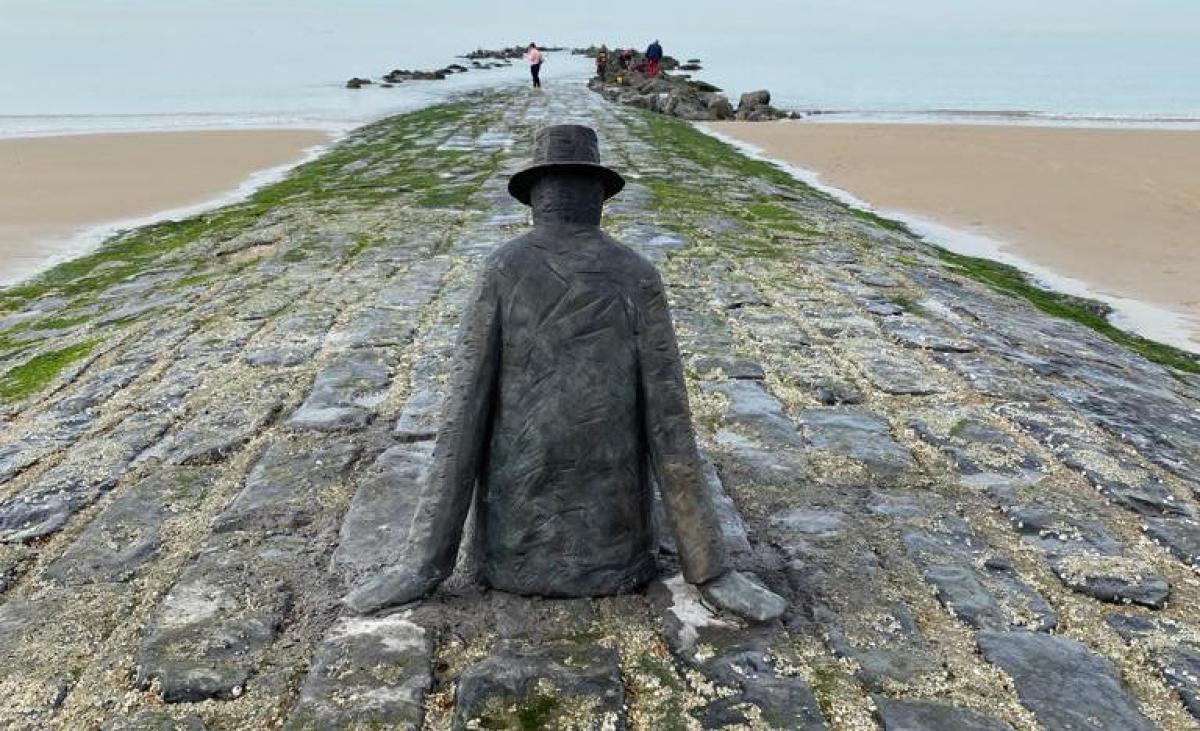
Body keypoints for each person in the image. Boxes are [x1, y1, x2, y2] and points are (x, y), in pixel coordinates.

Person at [342, 125, 787, 624]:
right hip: (613, 553)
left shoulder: (502, 268)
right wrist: (709, 569)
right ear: (599, 194)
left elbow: (461, 423)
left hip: (514, 553)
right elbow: (671, 432)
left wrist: (423, 564)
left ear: (534, 196)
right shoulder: (634, 273)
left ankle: (433, 563)